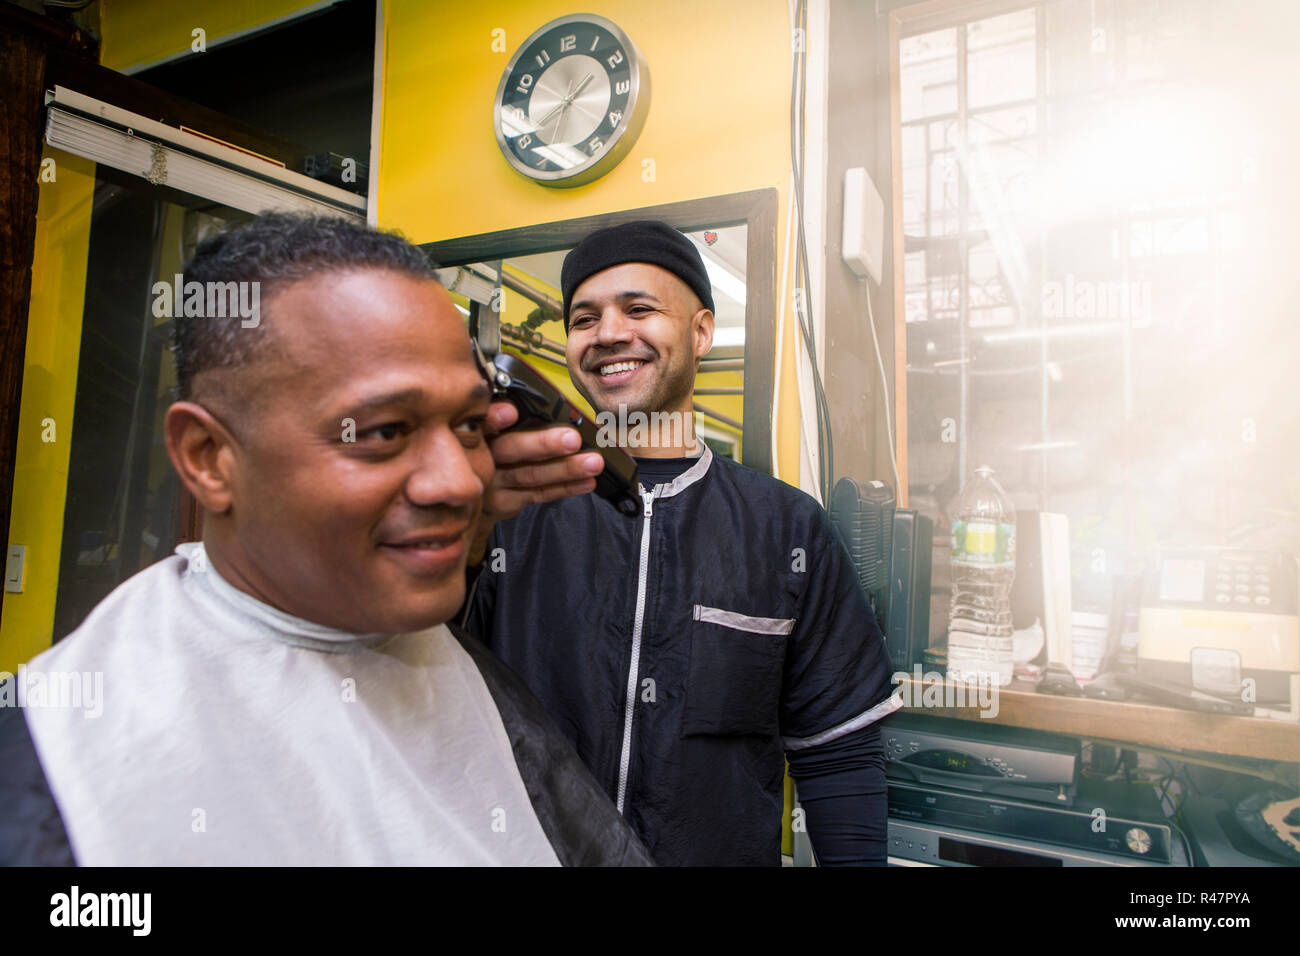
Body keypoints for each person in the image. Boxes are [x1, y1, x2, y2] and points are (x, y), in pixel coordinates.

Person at [0, 213, 652, 867]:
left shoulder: (463, 671)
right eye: (382, 432)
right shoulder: (62, 779)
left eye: (470, 424)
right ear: (207, 457)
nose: (460, 482)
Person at [462, 220, 899, 866]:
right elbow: (420, 680)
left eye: (638, 309)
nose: (609, 333)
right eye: (584, 319)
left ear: (701, 331)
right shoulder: (511, 512)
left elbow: (839, 760)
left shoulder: (787, 530)